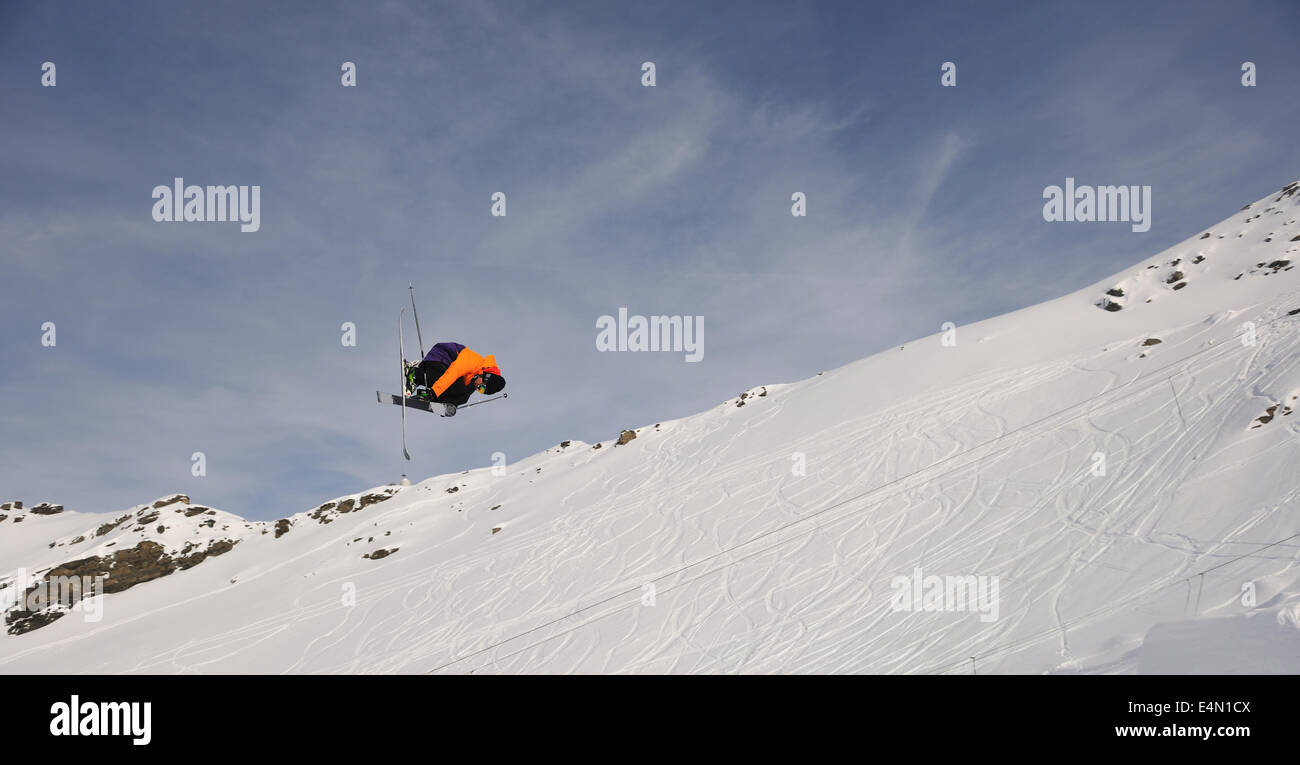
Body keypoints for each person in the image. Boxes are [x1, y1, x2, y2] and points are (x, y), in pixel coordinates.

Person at [406, 342, 505, 406]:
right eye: (481, 387)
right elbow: (452, 374)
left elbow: (463, 397)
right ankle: (415, 374)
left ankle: (425, 396)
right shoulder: (473, 361)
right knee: (456, 386)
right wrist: (433, 393)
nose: (478, 388)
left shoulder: (475, 380)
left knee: (463, 395)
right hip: (440, 357)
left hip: (442, 369)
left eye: (480, 390)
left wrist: (447, 405)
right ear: (486, 377)